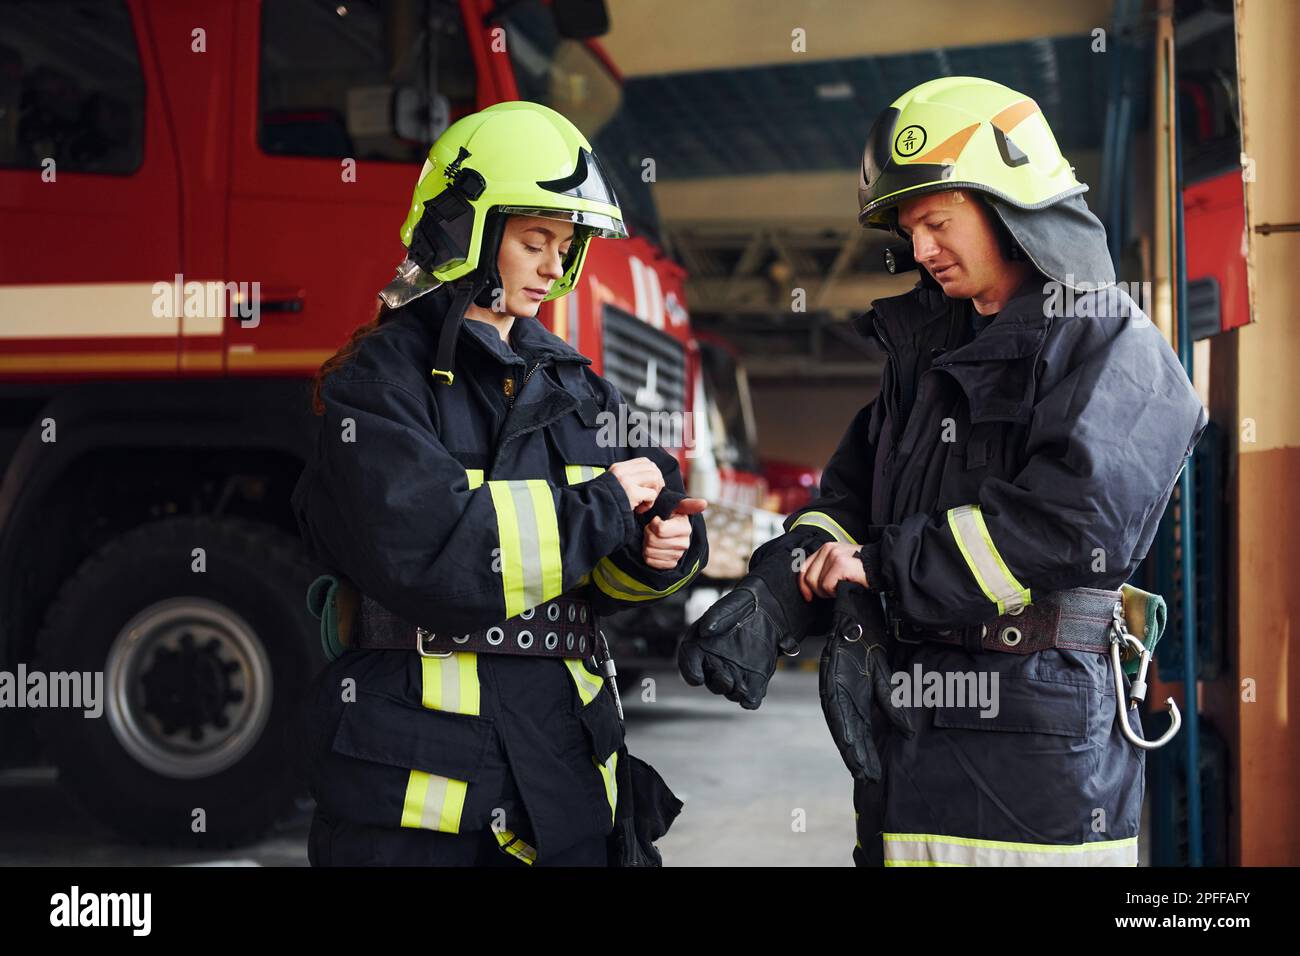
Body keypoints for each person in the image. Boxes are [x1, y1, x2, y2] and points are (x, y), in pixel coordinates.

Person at [679, 76, 1207, 866]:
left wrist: (883, 570)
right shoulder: (926, 356)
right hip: (908, 738)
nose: (920, 249)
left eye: (936, 220)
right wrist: (778, 588)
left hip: (1037, 753)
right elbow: (849, 500)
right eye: (908, 228)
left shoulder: (1111, 343)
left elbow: (1070, 527)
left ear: (1010, 203)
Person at [291, 100, 707, 866]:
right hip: (423, 791)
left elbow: (611, 559)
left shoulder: (583, 391)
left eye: (567, 244)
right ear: (463, 229)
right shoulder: (377, 384)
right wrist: (609, 507)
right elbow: (440, 556)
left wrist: (663, 547)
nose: (556, 266)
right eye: (535, 240)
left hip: (565, 774)